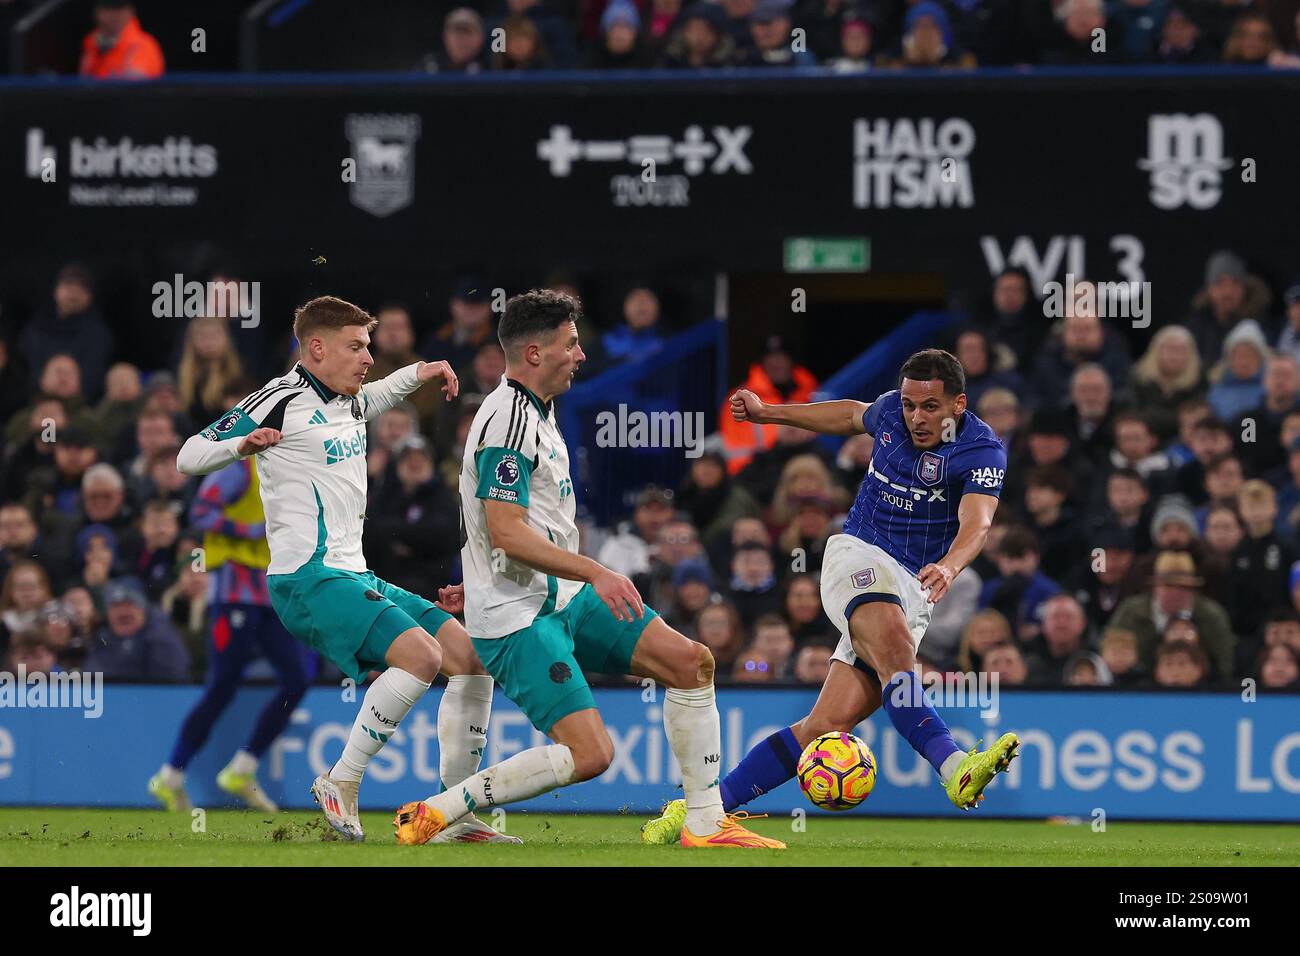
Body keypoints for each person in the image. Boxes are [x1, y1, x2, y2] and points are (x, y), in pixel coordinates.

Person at [394, 289, 783, 849]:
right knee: (592, 755)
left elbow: (506, 524)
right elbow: (506, 530)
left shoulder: (538, 412)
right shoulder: (507, 421)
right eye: (570, 344)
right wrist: (595, 570)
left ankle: (705, 823)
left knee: (690, 663)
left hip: (563, 596)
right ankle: (439, 812)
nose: (581, 355)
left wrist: (490, 568)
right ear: (533, 353)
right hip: (519, 615)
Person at [176, 295, 515, 845]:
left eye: (368, 347)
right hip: (306, 577)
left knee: (469, 658)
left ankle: (453, 812)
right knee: (422, 657)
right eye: (356, 347)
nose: (366, 358)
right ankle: (342, 780)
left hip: (352, 573)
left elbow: (376, 395)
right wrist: (243, 443)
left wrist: (420, 372)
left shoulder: (350, 399)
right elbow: (188, 455)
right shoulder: (277, 399)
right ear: (316, 348)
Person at [647, 348, 1017, 836]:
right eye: (908, 405)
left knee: (821, 728)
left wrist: (949, 566)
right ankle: (954, 768)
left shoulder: (982, 450)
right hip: (858, 557)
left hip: (915, 585)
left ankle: (697, 813)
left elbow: (979, 520)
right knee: (897, 654)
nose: (915, 417)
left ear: (958, 405)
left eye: (929, 407)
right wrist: (768, 412)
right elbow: (846, 414)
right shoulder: (888, 412)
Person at [148, 380, 322, 814]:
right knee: (223, 685)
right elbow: (200, 511)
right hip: (235, 595)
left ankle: (242, 767)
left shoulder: (289, 470)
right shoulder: (239, 465)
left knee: (299, 677)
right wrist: (248, 532)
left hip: (272, 595)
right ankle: (170, 775)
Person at [78, 0, 164, 80]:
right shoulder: (91, 44)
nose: (115, 15)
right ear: (97, 13)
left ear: (130, 12)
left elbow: (140, 86)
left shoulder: (143, 44)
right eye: (108, 9)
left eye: (120, 9)